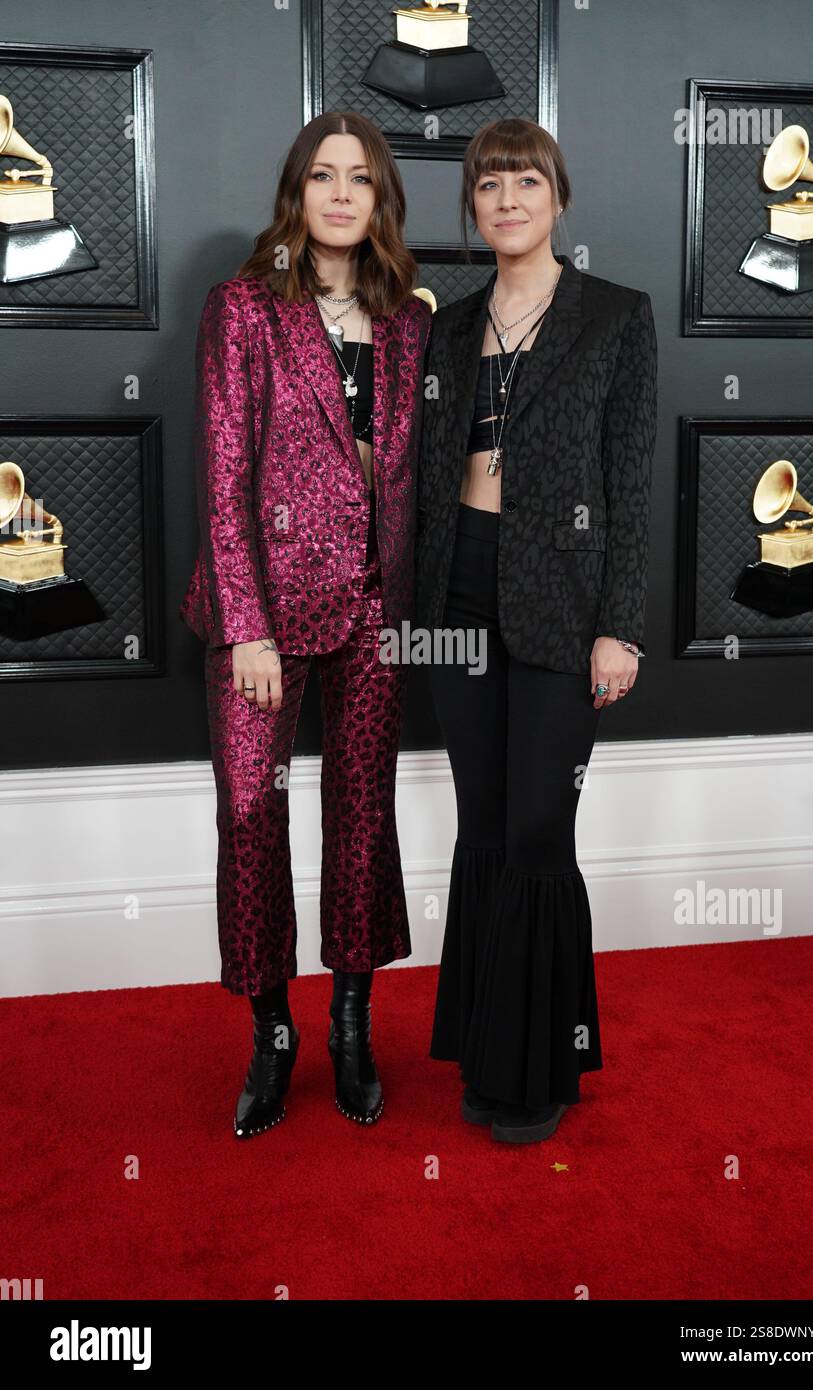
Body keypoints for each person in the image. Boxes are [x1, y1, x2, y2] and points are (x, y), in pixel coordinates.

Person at [179, 111, 431, 1139]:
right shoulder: (242, 306)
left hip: (375, 606)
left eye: (359, 180)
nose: (339, 194)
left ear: (379, 200)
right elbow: (225, 471)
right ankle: (271, 1033)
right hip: (264, 612)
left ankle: (354, 1025)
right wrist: (247, 626)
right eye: (322, 176)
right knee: (250, 815)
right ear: (296, 190)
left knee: (362, 815)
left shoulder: (408, 320)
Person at [414, 117, 657, 1144]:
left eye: (524, 183)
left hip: (563, 601)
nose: (505, 200)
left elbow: (630, 481)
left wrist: (621, 628)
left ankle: (540, 1061)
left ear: (556, 197)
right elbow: (425, 472)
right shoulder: (446, 323)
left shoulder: (613, 316)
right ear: (469, 206)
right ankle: (482, 1042)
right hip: (457, 588)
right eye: (487, 187)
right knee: (481, 823)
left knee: (535, 832)